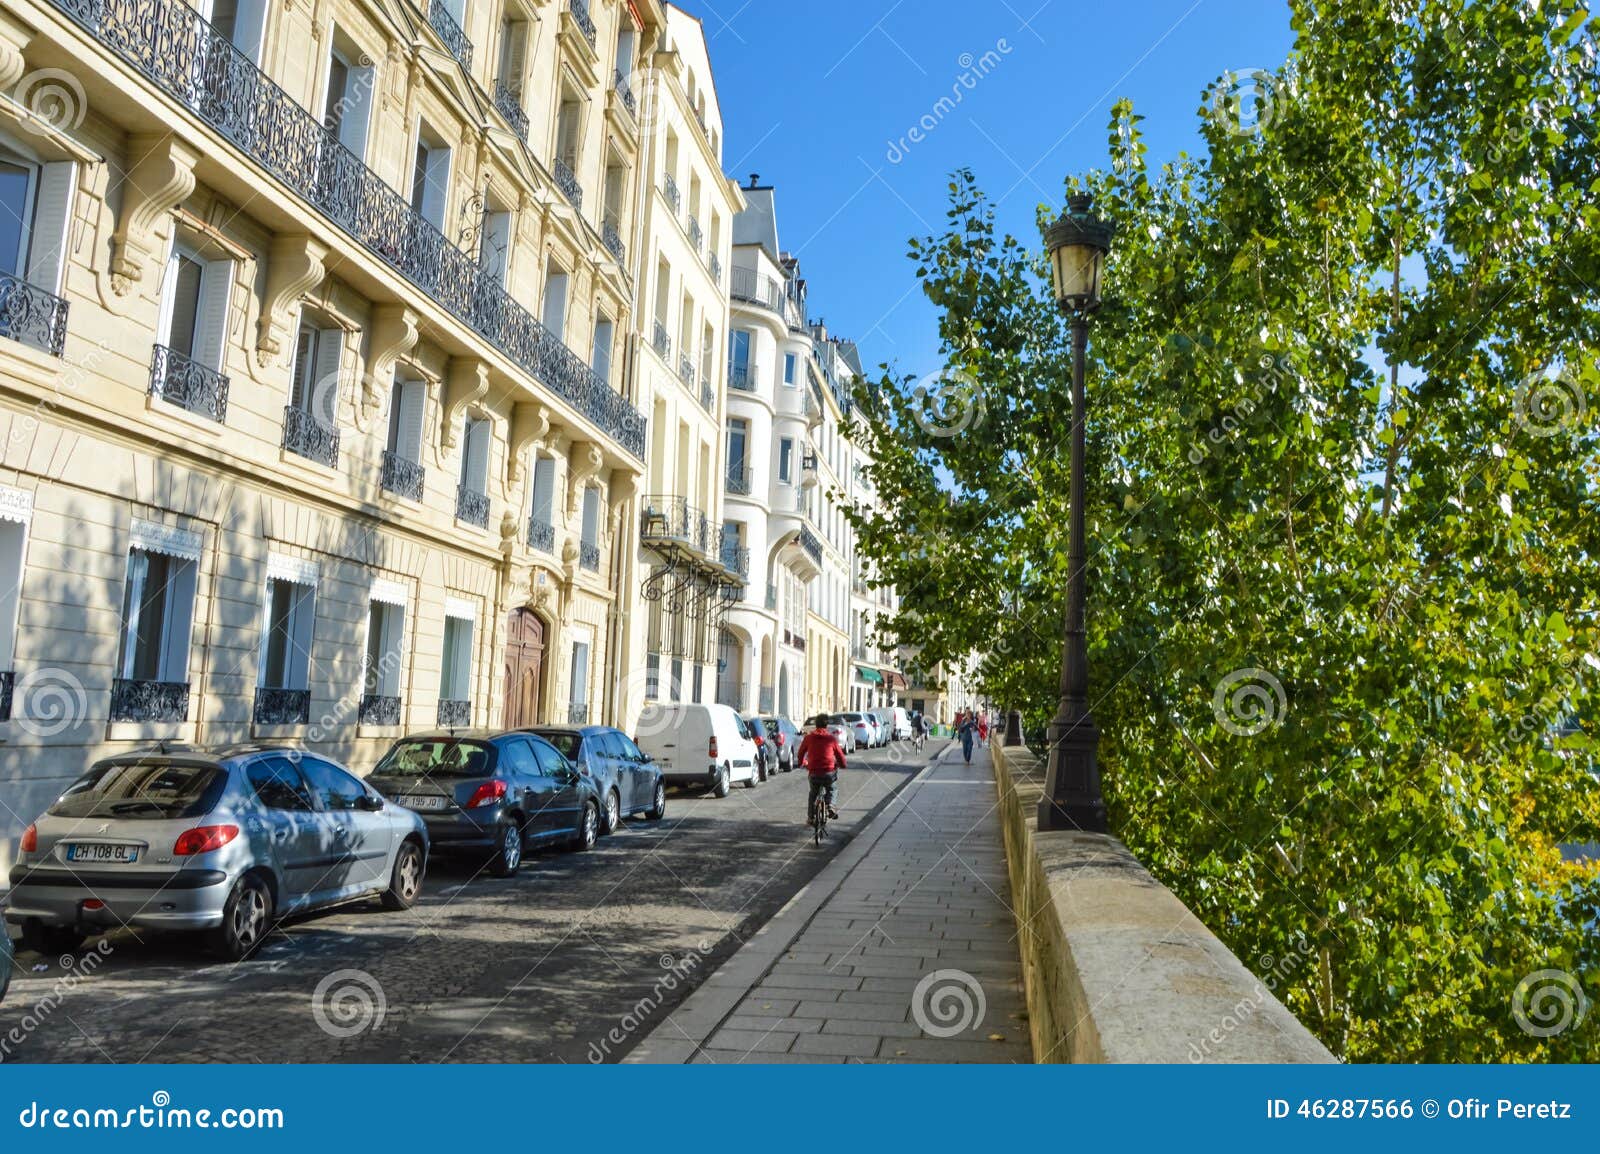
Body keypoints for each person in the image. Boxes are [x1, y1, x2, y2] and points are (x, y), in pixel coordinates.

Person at [797, 714, 845, 823]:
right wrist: (842, 764)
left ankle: (810, 818)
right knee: (832, 788)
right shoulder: (831, 739)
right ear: (826, 725)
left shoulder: (808, 737)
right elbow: (840, 755)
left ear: (816, 725)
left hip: (813, 772)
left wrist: (801, 763)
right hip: (829, 772)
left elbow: (800, 753)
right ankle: (831, 806)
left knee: (813, 793)